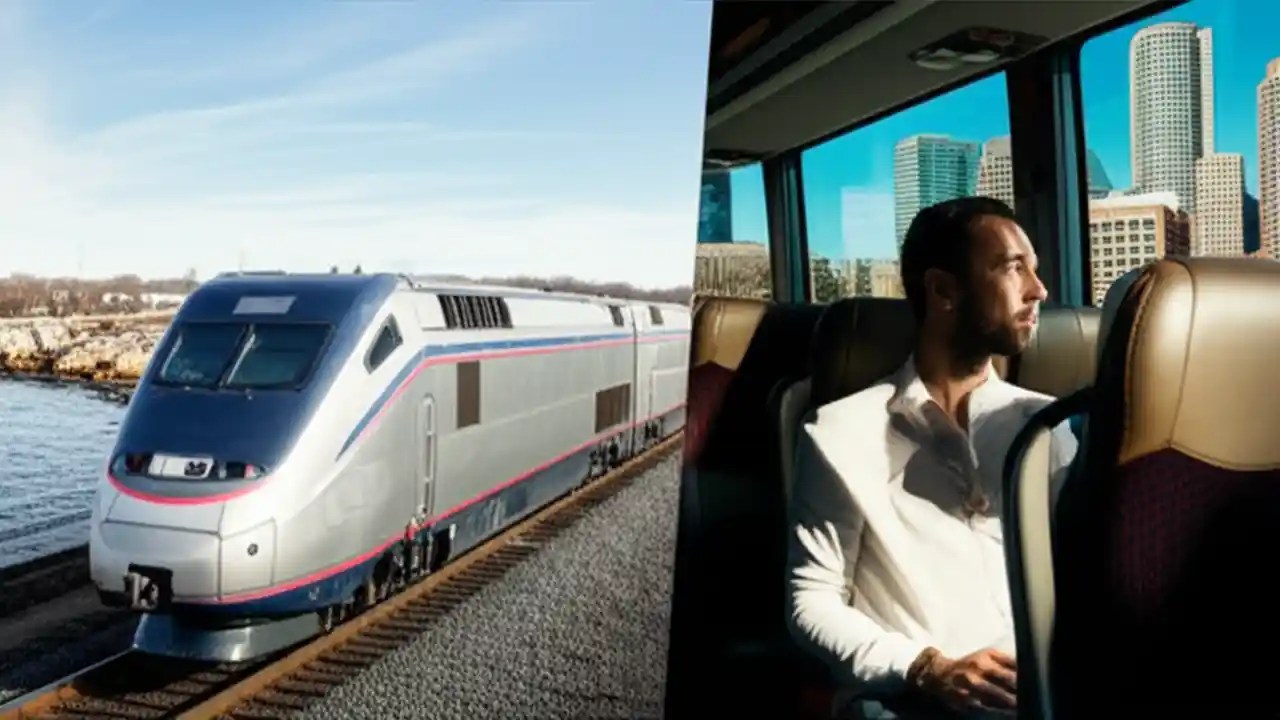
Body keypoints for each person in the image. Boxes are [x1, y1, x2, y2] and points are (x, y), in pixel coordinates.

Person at [784, 197, 1079, 719]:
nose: (1040, 290)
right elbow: (811, 601)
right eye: (1014, 268)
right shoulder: (841, 431)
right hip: (908, 702)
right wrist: (926, 668)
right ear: (943, 290)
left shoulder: (1049, 427)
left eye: (1035, 268)